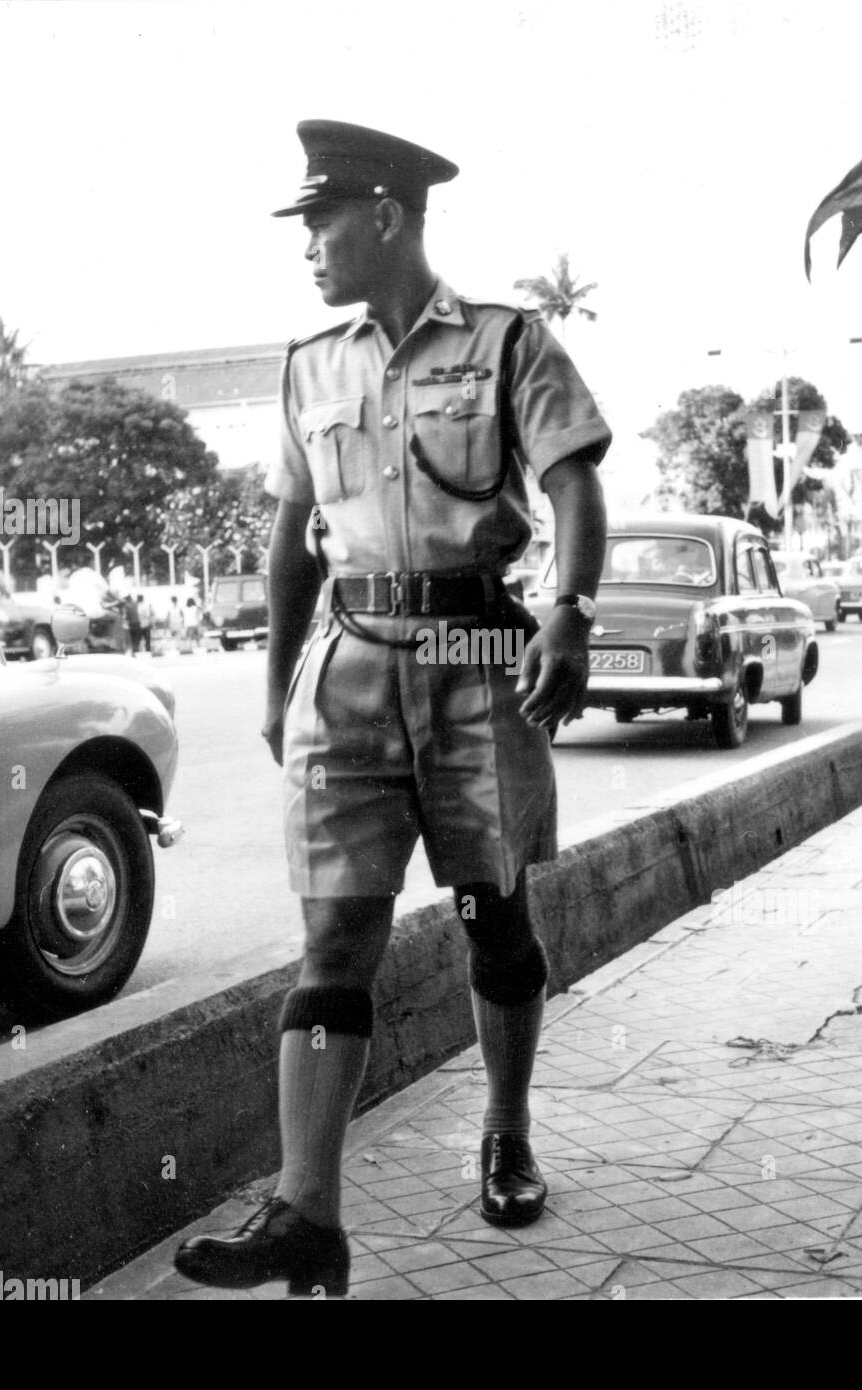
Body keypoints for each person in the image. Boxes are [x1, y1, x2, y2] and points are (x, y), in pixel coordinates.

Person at [174, 119, 610, 1296]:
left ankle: (506, 1132)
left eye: (321, 220)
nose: (307, 244)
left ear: (385, 216)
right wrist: (276, 684)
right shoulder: (307, 366)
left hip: (477, 660)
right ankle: (304, 1210)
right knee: (333, 941)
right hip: (349, 669)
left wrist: (567, 610)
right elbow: (285, 539)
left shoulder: (511, 342)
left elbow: (572, 485)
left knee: (492, 916)